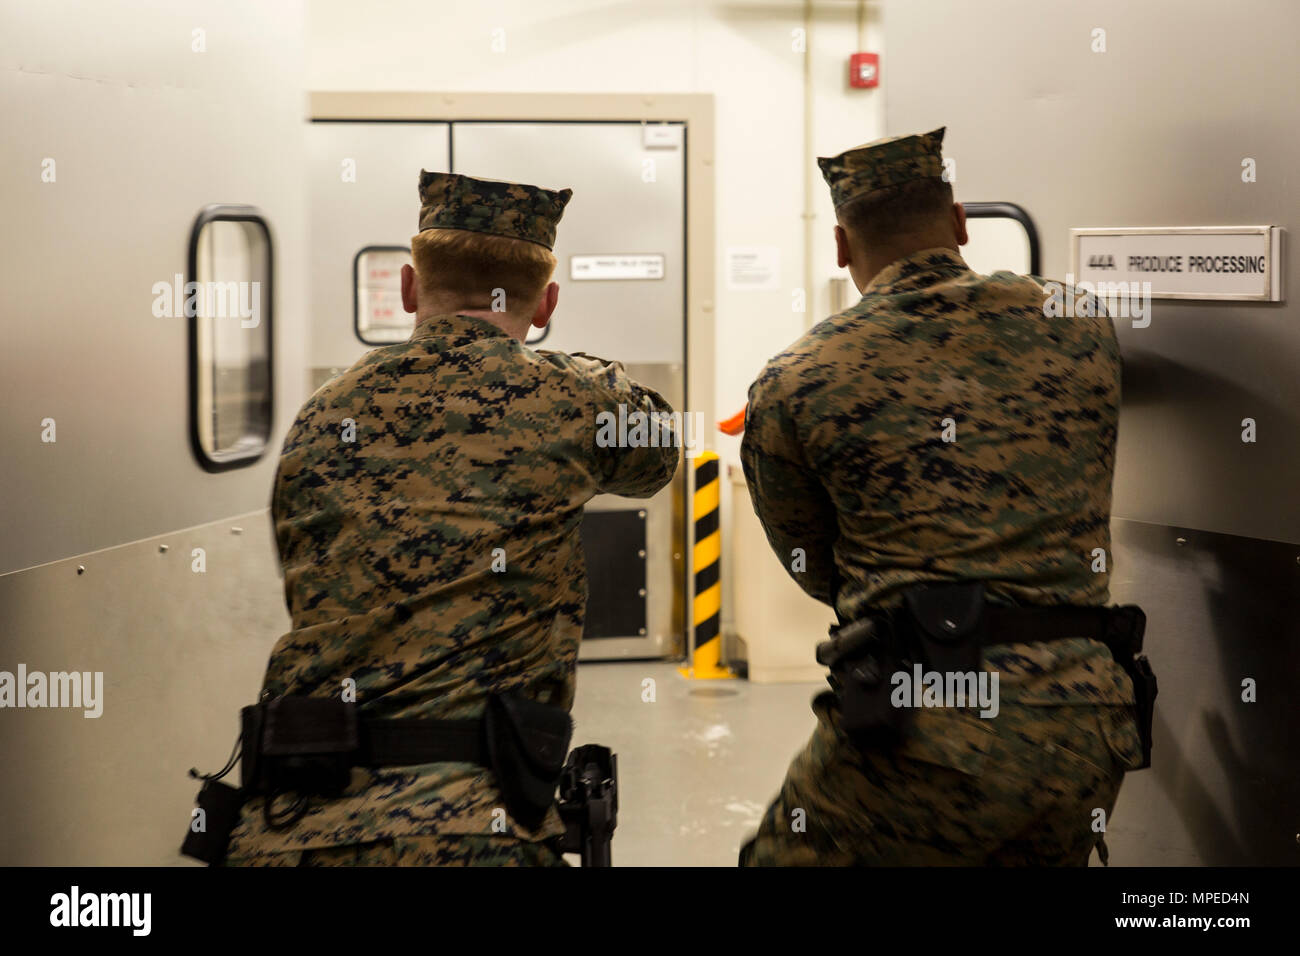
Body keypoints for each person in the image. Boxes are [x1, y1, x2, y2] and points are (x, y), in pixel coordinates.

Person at [223, 170, 679, 866]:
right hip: (475, 829)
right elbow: (659, 456)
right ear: (546, 303)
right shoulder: (579, 399)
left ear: (409, 288)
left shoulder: (322, 413)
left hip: (294, 824)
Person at [738, 128, 1147, 866]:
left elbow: (814, 563)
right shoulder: (1081, 325)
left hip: (927, 724)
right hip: (1090, 720)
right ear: (961, 224)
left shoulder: (800, 376)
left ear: (840, 245)